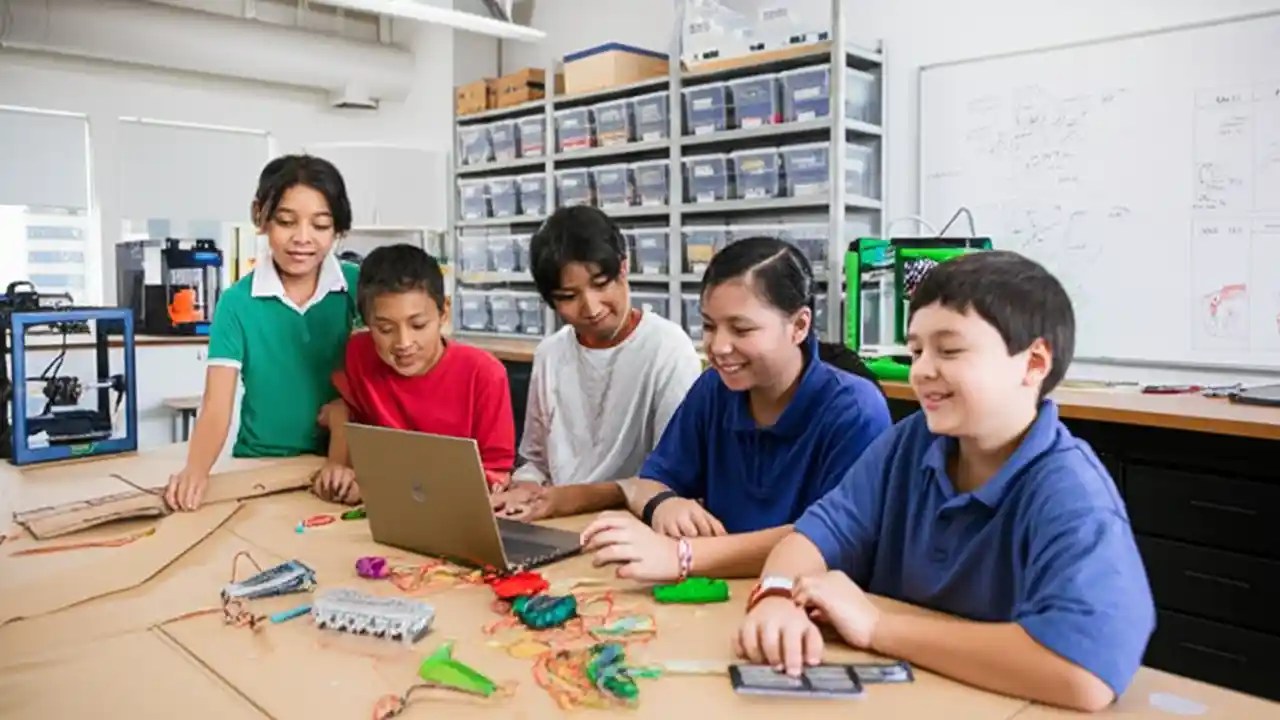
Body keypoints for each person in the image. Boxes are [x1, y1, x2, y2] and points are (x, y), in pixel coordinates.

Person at [734, 251, 1155, 712]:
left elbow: (1085, 674)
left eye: (949, 350)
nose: (921, 370)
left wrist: (878, 628)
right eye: (916, 351)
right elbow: (814, 537)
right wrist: (775, 595)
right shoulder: (910, 442)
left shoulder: (1071, 491)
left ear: (1033, 363)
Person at [568, 236, 892, 583]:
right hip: (723, 589)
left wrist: (683, 555)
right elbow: (649, 482)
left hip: (804, 601)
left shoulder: (855, 410)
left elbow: (829, 539)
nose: (719, 347)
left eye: (741, 329)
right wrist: (664, 503)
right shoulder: (714, 390)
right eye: (709, 326)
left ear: (799, 326)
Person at [164, 154, 360, 511]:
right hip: (261, 464)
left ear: (337, 229)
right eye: (286, 222)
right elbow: (216, 403)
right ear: (261, 217)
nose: (303, 238)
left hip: (342, 467)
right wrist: (196, 469)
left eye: (320, 225)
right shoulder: (237, 303)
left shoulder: (358, 287)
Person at [488, 206, 701, 517]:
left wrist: (568, 499)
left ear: (624, 269)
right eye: (568, 296)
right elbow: (536, 461)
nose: (590, 307)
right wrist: (525, 487)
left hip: (634, 518)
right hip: (555, 515)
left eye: (601, 284)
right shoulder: (551, 353)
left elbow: (673, 475)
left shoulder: (667, 349)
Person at [314, 244, 516, 504]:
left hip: (455, 511)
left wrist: (379, 491)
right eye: (385, 329)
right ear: (366, 322)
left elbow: (496, 473)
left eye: (418, 325)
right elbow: (342, 409)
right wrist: (338, 466)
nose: (403, 343)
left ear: (444, 311)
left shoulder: (485, 375)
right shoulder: (359, 354)